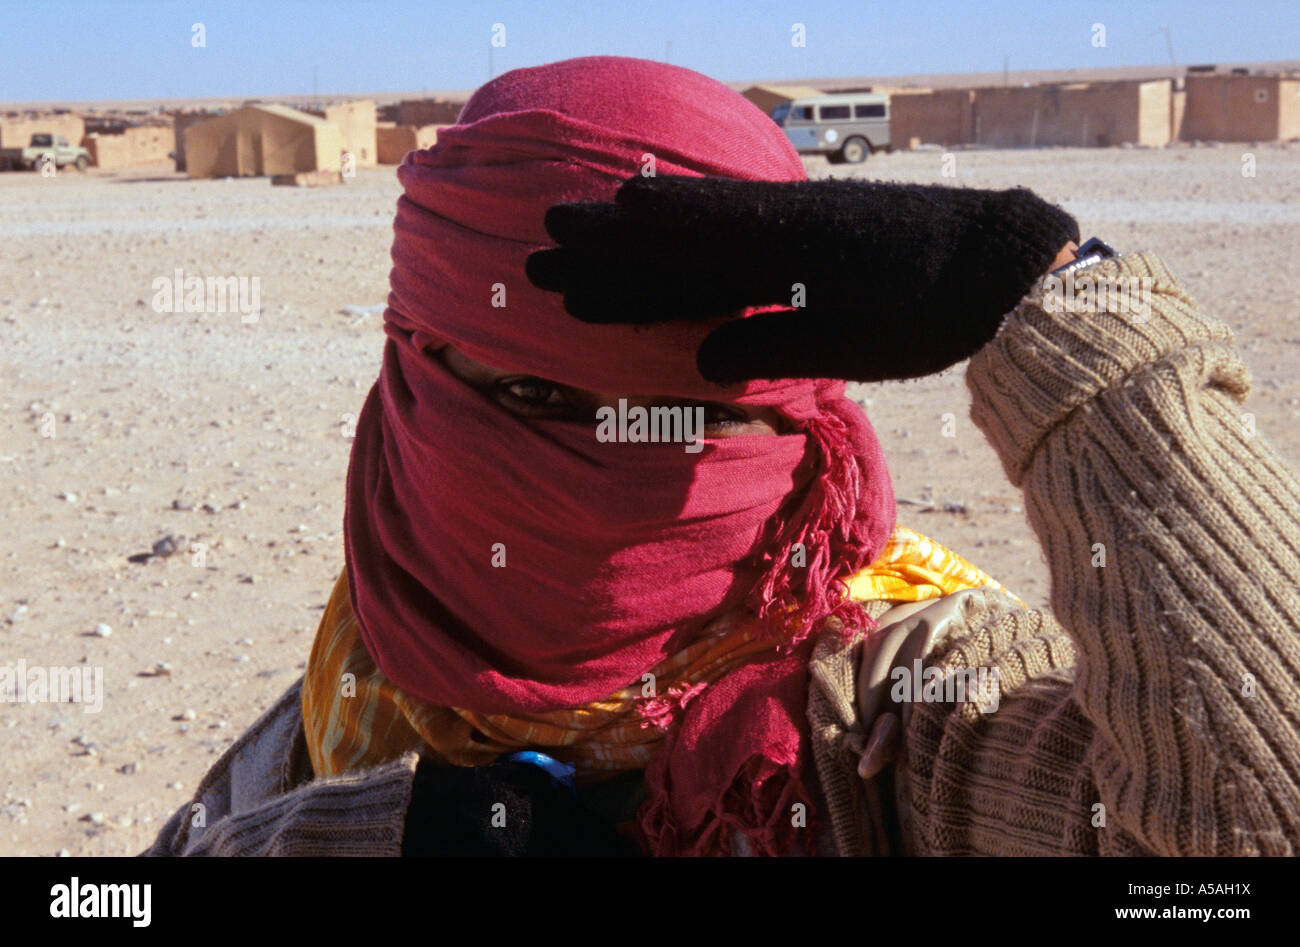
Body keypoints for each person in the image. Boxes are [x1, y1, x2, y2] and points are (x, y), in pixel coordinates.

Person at [143, 55, 1300, 857]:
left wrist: (1054, 299)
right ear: (412, 379)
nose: (607, 463)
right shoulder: (347, 697)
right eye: (536, 395)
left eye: (682, 411)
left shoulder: (900, 715)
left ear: (794, 415)